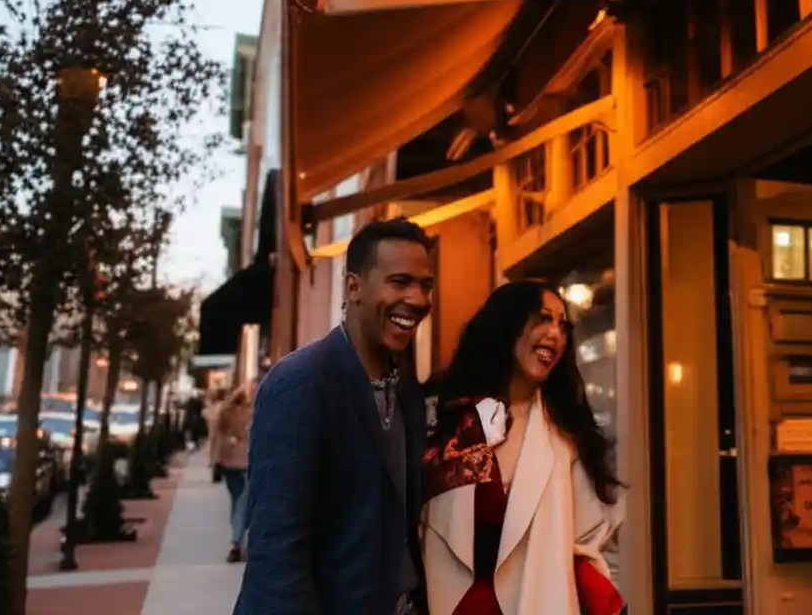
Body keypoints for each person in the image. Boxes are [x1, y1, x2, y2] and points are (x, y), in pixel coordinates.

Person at [235, 219, 435, 615]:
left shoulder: (407, 388)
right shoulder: (302, 383)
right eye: (399, 281)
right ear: (353, 287)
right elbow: (278, 550)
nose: (417, 298)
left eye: (425, 285)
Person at [422, 281, 625, 615]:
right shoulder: (448, 418)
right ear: (507, 325)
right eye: (543, 319)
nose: (555, 334)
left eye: (563, 325)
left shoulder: (564, 435)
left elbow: (593, 542)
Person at [215, 385, 252, 563]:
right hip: (246, 462)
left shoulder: (225, 412)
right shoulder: (253, 412)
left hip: (229, 462)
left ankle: (237, 542)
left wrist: (216, 459)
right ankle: (237, 541)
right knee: (242, 503)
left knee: (236, 501)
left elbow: (218, 435)